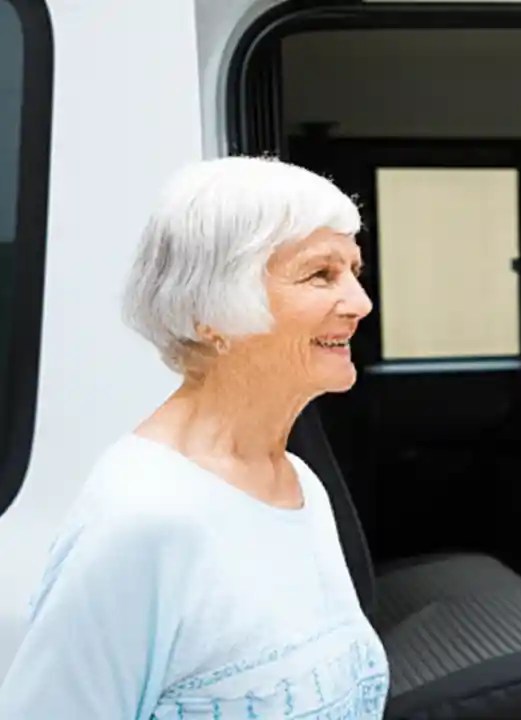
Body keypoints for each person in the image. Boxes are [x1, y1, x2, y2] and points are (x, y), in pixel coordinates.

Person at [0, 156, 387, 718]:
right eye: (320, 274)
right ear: (212, 312)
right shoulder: (144, 518)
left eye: (354, 272)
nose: (359, 302)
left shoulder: (298, 483)